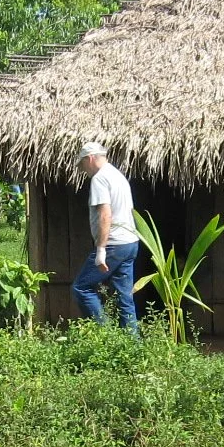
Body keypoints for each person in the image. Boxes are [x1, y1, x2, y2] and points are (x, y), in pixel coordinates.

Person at [70, 141, 139, 332]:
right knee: (125, 297)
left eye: (82, 164)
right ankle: (133, 346)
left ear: (90, 158)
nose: (83, 170)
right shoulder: (117, 176)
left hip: (113, 245)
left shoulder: (100, 179)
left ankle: (105, 335)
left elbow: (105, 214)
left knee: (81, 288)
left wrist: (101, 249)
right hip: (130, 242)